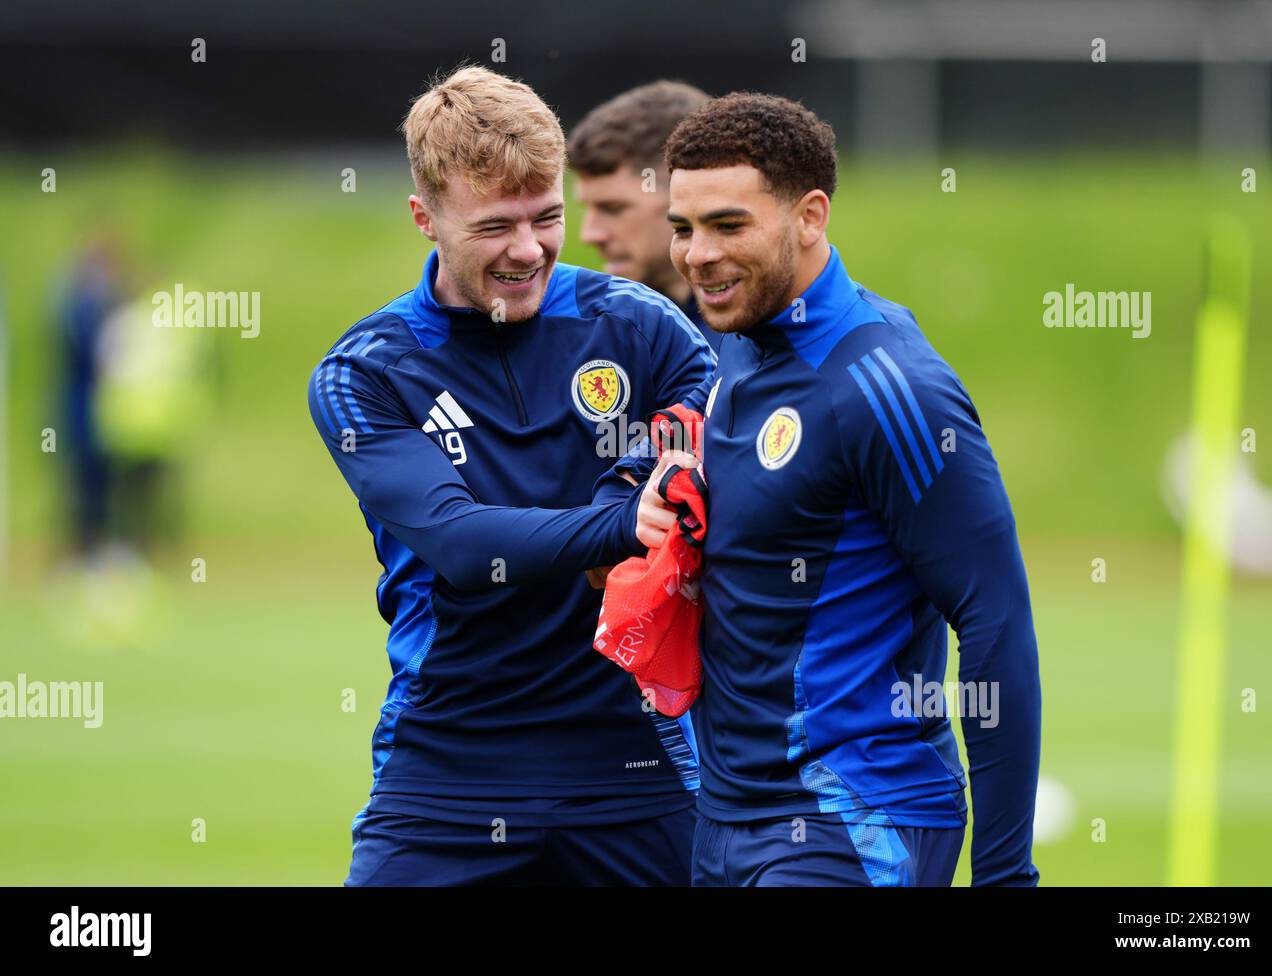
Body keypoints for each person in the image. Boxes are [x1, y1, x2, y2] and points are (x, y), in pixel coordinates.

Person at [308, 66, 715, 886]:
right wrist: (621, 523)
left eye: (548, 217)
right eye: (496, 226)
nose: (529, 250)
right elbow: (459, 543)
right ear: (424, 217)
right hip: (450, 763)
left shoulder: (642, 328)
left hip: (632, 761)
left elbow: (701, 411)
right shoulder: (367, 371)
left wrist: (630, 489)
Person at [641, 92, 1041, 886]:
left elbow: (996, 622)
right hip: (724, 826)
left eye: (728, 226)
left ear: (811, 216)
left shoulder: (888, 384)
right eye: (682, 230)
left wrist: (1005, 876)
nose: (697, 256)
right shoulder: (735, 347)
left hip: (854, 821)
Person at [567, 81, 721, 352]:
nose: (590, 234)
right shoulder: (598, 335)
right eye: (587, 209)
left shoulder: (762, 340)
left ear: (683, 195)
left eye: (612, 209)